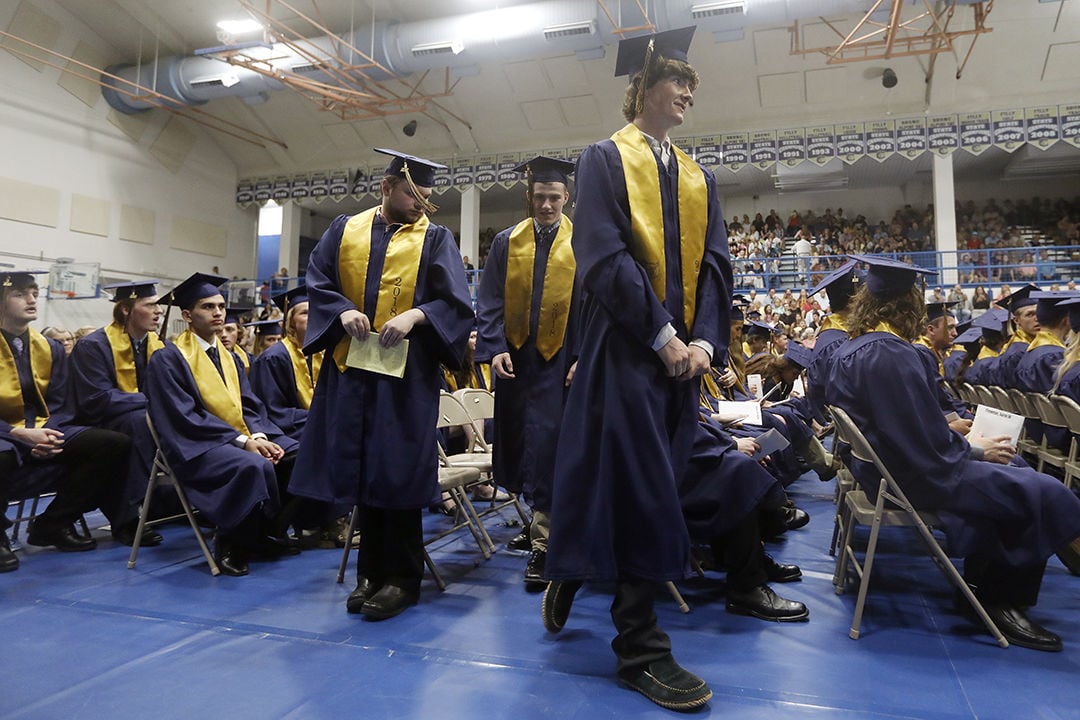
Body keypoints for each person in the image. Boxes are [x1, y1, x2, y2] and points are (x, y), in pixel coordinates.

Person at [540, 27, 731, 711]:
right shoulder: (602, 159)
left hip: (683, 364)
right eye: (678, 82)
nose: (687, 93)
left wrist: (705, 344)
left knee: (650, 488)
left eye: (691, 86)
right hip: (627, 353)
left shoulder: (699, 175)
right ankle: (640, 648)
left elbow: (715, 269)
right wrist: (660, 335)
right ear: (644, 87)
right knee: (643, 492)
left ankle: (573, 565)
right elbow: (602, 256)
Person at [826, 255, 1080, 652]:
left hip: (885, 471)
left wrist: (974, 451)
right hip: (915, 477)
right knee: (1043, 490)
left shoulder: (853, 347)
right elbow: (925, 444)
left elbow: (909, 431)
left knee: (1014, 468)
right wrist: (975, 451)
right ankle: (1001, 601)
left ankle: (981, 587)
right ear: (908, 303)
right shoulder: (891, 353)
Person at [290, 149, 474, 620]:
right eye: (414, 193)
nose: (422, 204)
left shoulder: (435, 238)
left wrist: (417, 314)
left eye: (428, 197)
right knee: (362, 469)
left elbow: (455, 302)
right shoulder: (344, 229)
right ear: (386, 187)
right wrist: (340, 310)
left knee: (397, 471)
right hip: (352, 369)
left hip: (404, 377)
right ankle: (369, 574)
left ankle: (403, 578)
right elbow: (319, 281)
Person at [146, 272, 300, 577]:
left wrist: (256, 434)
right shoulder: (168, 359)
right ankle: (231, 542)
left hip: (235, 438)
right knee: (252, 466)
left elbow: (249, 405)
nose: (218, 312)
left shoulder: (228, 356)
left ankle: (264, 533)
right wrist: (244, 442)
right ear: (188, 316)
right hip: (194, 444)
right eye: (208, 307)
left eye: (220, 306)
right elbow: (184, 416)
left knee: (298, 458)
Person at [475, 155, 578, 589]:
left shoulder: (584, 242)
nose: (547, 205)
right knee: (525, 445)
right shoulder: (506, 242)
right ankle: (540, 523)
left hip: (563, 364)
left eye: (554, 197)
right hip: (518, 363)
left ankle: (547, 542)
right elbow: (490, 299)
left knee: (555, 447)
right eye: (540, 197)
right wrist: (495, 346)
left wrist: (584, 355)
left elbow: (592, 306)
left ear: (567, 197)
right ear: (528, 196)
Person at [0, 269, 130, 572]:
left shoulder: (49, 347)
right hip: (5, 435)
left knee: (111, 443)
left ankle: (52, 524)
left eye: (33, 292)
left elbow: (62, 404)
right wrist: (19, 434)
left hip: (41, 429)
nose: (32, 299)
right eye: (20, 294)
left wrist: (46, 433)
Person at [69, 279, 169, 547]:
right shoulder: (93, 346)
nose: (158, 311)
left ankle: (173, 501)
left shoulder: (160, 346)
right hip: (100, 420)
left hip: (140, 416)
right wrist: (150, 401)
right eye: (150, 305)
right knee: (138, 424)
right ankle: (126, 518)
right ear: (126, 309)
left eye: (158, 305)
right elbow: (96, 398)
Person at [249, 286, 322, 441]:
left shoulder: (320, 354)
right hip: (286, 429)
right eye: (305, 313)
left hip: (315, 421)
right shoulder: (273, 358)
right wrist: (319, 416)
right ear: (291, 322)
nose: (313, 316)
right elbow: (272, 410)